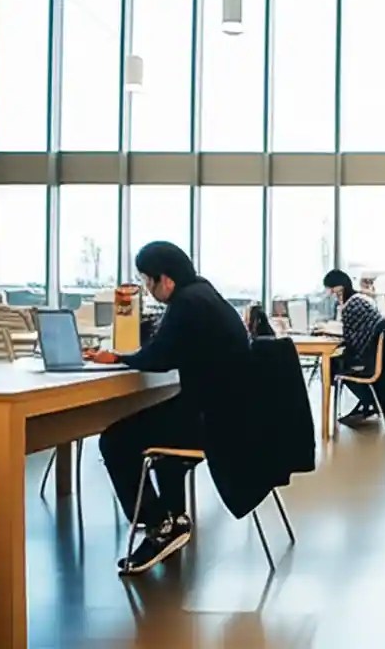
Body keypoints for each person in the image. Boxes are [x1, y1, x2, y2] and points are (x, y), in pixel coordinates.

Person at [89, 241, 251, 574]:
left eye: (148, 281)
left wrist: (118, 357)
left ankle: (158, 524)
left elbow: (161, 357)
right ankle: (173, 519)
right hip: (230, 414)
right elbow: (174, 350)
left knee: (115, 440)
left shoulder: (187, 303)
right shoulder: (205, 294)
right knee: (162, 439)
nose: (147, 289)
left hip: (212, 421)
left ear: (166, 279)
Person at [322, 269, 385, 425]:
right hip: (372, 354)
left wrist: (329, 332)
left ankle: (368, 401)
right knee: (335, 361)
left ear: (338, 287)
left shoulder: (352, 305)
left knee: (332, 364)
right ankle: (367, 402)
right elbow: (354, 331)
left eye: (330, 288)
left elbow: (352, 340)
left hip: (366, 358)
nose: (330, 293)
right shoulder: (359, 300)